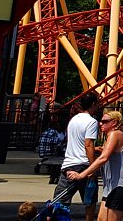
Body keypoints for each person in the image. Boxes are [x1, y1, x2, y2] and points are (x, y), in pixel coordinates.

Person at [65, 110, 123, 221]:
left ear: (114, 122)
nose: (100, 123)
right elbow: (105, 152)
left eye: (104, 121)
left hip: (121, 185)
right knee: (101, 219)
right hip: (111, 186)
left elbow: (103, 158)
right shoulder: (110, 137)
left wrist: (81, 175)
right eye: (100, 121)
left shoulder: (116, 134)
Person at [52, 93, 102, 221]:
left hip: (68, 164)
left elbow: (76, 142)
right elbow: (88, 144)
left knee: (61, 200)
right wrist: (93, 167)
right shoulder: (92, 122)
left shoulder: (73, 120)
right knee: (89, 200)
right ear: (93, 104)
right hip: (83, 164)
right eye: (97, 103)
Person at [37, 116, 66, 184]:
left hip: (42, 151)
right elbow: (55, 142)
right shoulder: (54, 132)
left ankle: (52, 177)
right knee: (60, 158)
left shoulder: (46, 131)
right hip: (50, 151)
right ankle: (56, 176)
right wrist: (63, 142)